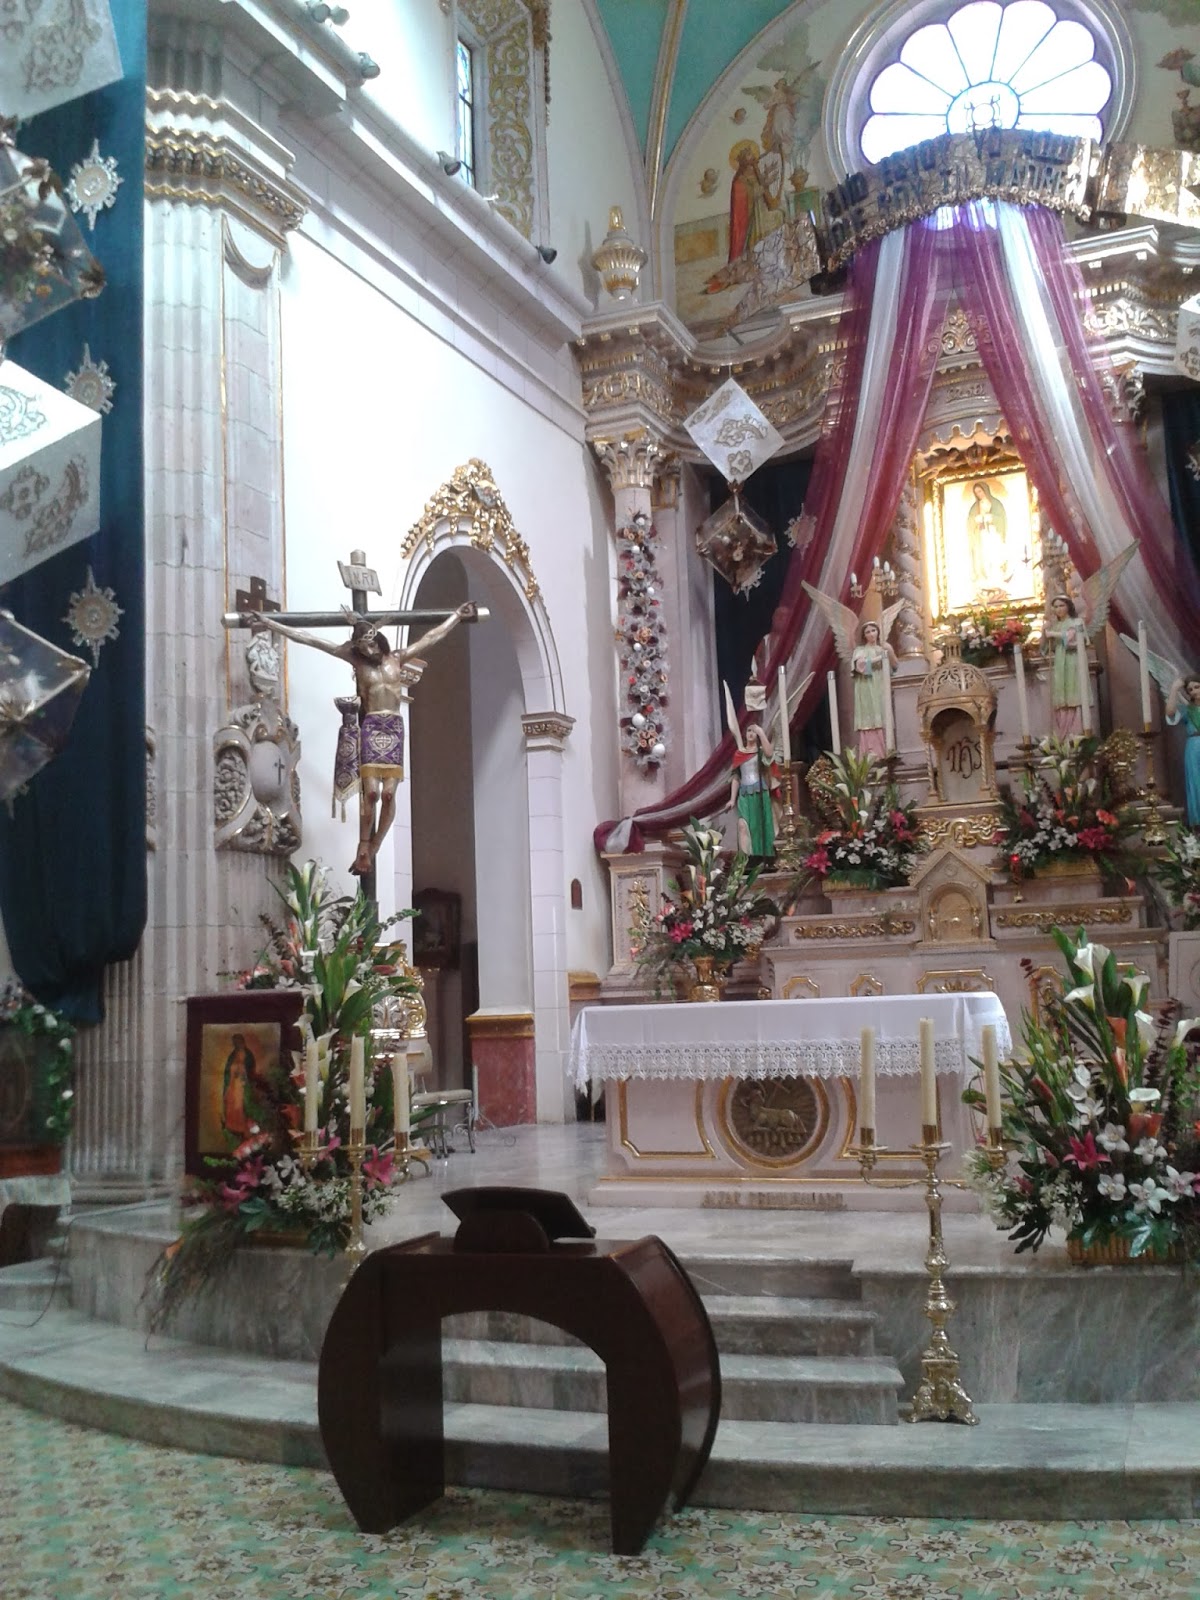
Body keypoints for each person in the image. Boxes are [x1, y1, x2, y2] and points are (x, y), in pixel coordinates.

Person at [251, 602, 476, 876]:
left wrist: (455, 616)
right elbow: (311, 640)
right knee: (371, 793)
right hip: (370, 725)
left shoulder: (397, 658)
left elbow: (431, 637)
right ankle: (363, 845)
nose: (367, 651)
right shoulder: (355, 659)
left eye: (370, 645)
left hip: (393, 726)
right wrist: (272, 624)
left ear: (377, 640)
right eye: (361, 647)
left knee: (389, 794)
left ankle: (373, 849)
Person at [730, 720, 781, 859]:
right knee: (743, 825)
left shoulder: (760, 752)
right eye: (749, 731)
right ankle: (746, 859)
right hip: (744, 794)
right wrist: (732, 799)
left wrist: (761, 732)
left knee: (760, 826)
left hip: (760, 792)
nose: (751, 733)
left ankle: (764, 857)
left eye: (753, 731)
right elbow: (736, 777)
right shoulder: (739, 753)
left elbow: (770, 753)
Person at [851, 620, 897, 758]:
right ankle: (872, 753)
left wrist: (889, 651)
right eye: (867, 631)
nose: (871, 634)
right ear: (864, 635)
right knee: (870, 719)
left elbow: (895, 666)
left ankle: (887, 752)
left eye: (873, 630)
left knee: (884, 715)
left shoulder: (883, 648)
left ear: (878, 632)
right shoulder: (860, 650)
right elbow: (860, 666)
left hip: (881, 686)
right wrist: (879, 658)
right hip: (866, 688)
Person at [1040, 594, 1084, 738]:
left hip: (1072, 661)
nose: (1059, 609)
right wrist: (1044, 632)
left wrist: (1052, 633)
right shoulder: (1055, 625)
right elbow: (1045, 649)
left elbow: (1071, 639)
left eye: (1061, 605)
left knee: (1072, 693)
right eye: (1056, 606)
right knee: (1061, 695)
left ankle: (1074, 731)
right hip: (1060, 661)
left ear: (1068, 606)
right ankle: (1062, 734)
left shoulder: (1076, 622)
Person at [1166, 675, 1200, 825]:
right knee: (1197, 785)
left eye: (1196, 687)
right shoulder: (1188, 710)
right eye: (1190, 689)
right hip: (1194, 749)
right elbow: (1170, 713)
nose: (1193, 691)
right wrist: (1174, 689)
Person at [966, 481, 1008, 594]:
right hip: (982, 536)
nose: (979, 494)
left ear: (985, 490)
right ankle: (985, 580)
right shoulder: (975, 507)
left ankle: (997, 579)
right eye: (976, 493)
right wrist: (976, 520)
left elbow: (1002, 520)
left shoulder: (996, 503)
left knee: (994, 557)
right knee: (983, 557)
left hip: (993, 535)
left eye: (980, 491)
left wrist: (992, 518)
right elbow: (970, 523)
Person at [222, 1033, 255, 1141]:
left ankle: (242, 1128)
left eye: (237, 1041)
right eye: (234, 1042)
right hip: (232, 1085)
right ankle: (232, 1127)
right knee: (231, 1105)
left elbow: (250, 1071)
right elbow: (227, 1072)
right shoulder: (232, 1056)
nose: (235, 1044)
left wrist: (242, 1074)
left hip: (242, 1086)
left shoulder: (248, 1055)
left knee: (240, 1106)